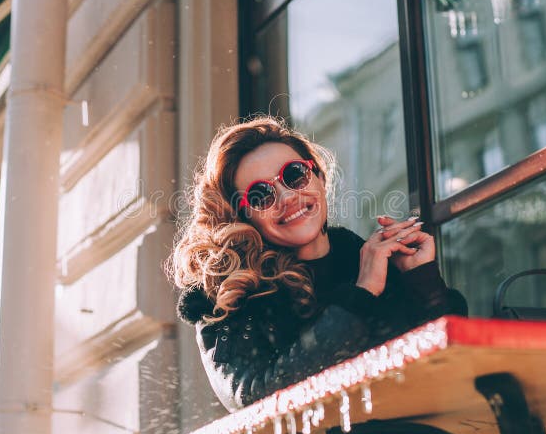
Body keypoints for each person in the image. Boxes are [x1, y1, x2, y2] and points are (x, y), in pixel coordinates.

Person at [168, 116, 467, 412]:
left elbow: (452, 373)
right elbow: (256, 400)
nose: (286, 197)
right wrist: (360, 296)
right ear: (244, 217)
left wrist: (422, 279)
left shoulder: (375, 265)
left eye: (294, 174)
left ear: (319, 178)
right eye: (261, 196)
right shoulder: (226, 300)